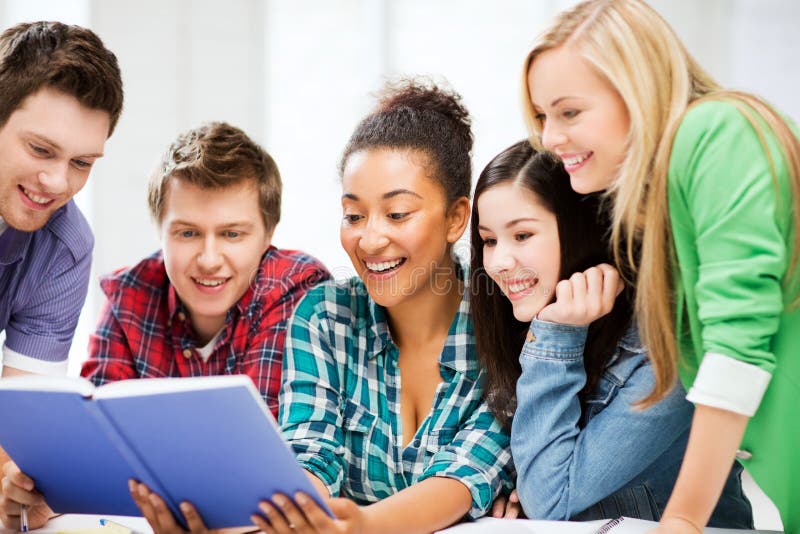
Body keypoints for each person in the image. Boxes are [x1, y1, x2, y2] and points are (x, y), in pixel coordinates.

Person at [521, 1, 800, 532]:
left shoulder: (716, 131)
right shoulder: (660, 212)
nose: (550, 138)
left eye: (569, 112)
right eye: (542, 117)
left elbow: (737, 347)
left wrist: (683, 521)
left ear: (637, 89)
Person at [4, 121, 330, 531]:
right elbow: (96, 450)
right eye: (187, 233)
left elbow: (259, 463)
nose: (209, 259)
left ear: (268, 236)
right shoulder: (129, 293)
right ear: (160, 230)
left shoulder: (296, 289)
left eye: (232, 234)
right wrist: (46, 492)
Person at [223, 80, 513, 534]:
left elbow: (467, 473)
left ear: (457, 218)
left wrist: (360, 525)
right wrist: (280, 515)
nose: (370, 239)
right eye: (354, 215)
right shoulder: (324, 316)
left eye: (397, 214)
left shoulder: (506, 323)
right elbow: (309, 451)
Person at [470, 140, 752, 526]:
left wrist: (557, 335)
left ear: (580, 230)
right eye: (489, 240)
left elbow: (550, 501)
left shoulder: (664, 350)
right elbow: (538, 482)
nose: (499, 262)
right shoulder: (519, 329)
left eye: (522, 236)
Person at [0, 21, 123, 531]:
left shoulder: (64, 247)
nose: (56, 183)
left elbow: (18, 419)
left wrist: (20, 484)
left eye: (82, 162)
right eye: (40, 150)